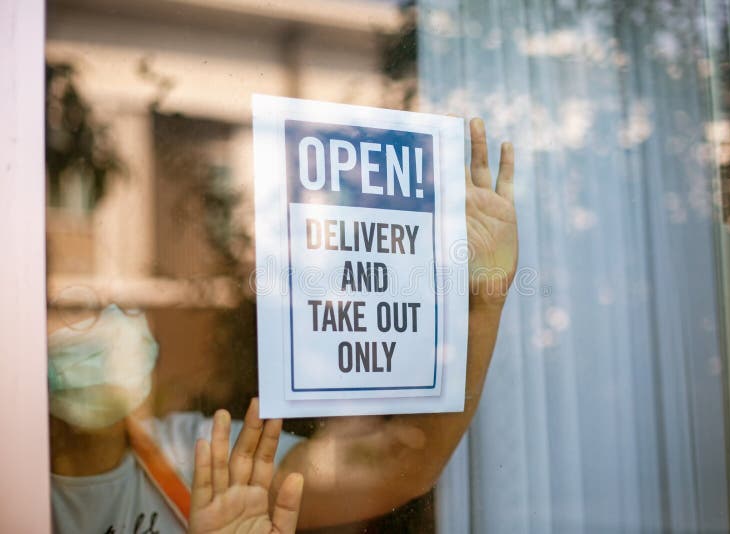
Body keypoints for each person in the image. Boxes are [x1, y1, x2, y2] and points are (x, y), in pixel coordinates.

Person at [47, 117, 517, 532]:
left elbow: (397, 465)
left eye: (118, 311)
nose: (103, 326)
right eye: (72, 311)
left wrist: (484, 305)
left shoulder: (200, 459)